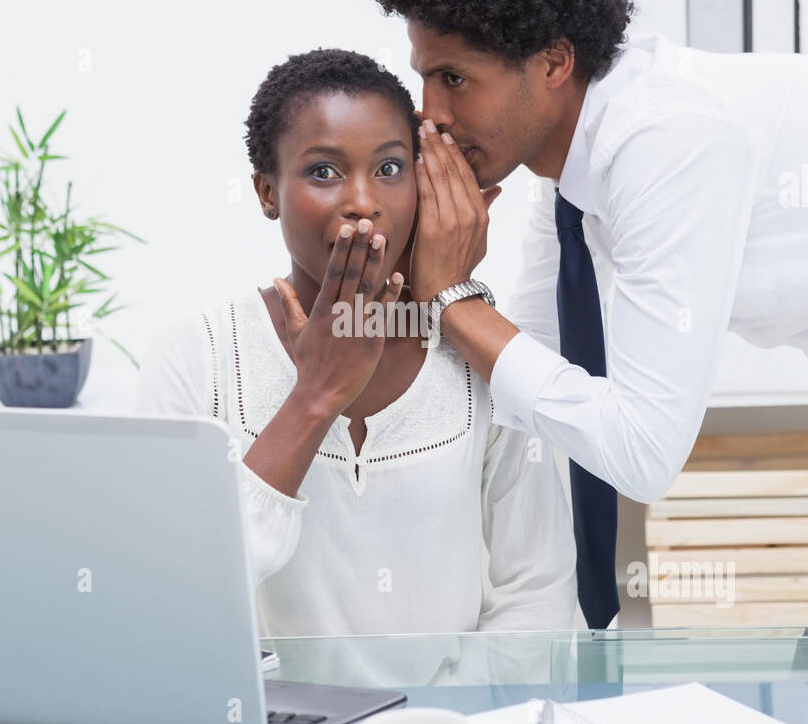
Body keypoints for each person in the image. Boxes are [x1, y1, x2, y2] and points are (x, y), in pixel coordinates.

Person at [363, 0, 808, 627]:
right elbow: (526, 384)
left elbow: (644, 450)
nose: (430, 120)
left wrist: (453, 299)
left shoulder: (665, 141)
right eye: (424, 80)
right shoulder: (570, 178)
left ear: (552, 63)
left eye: (454, 80)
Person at [133, 48, 577, 637]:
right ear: (267, 192)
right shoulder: (194, 355)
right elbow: (174, 593)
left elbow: (536, 593)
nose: (364, 201)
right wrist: (316, 395)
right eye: (323, 171)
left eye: (390, 169)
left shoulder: (482, 352)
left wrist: (459, 722)